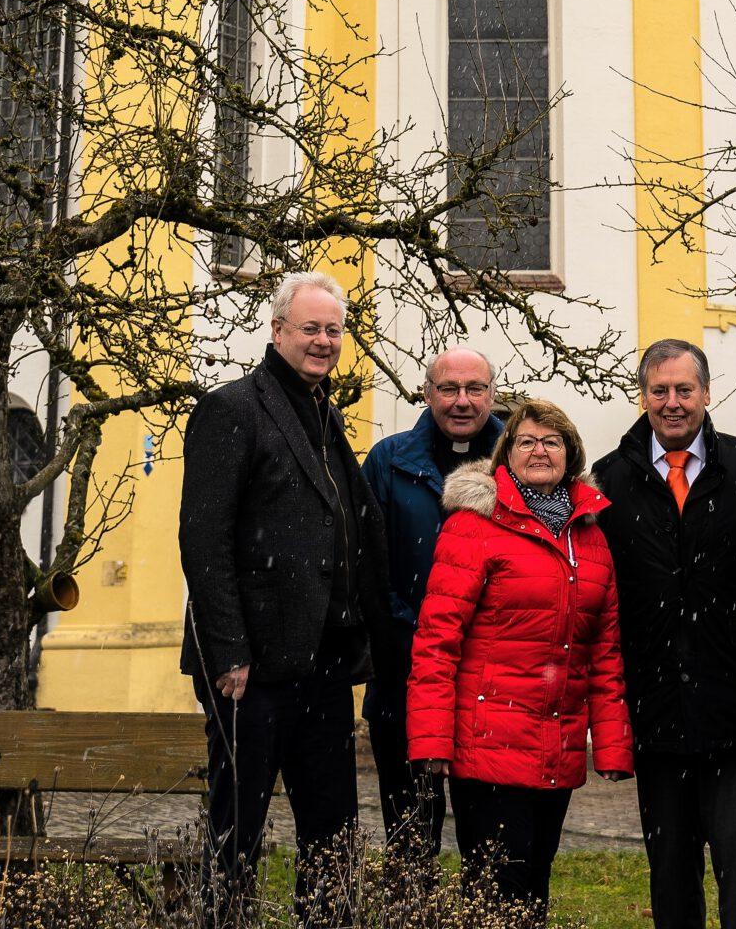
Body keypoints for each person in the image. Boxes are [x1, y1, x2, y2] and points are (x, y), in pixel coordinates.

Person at [178, 272, 394, 925]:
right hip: (252, 672)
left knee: (330, 836)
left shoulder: (322, 413)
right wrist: (229, 651)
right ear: (277, 331)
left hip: (322, 666)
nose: (324, 341)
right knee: (234, 836)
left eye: (333, 330)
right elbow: (202, 539)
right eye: (311, 329)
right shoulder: (233, 408)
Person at [406, 396, 635, 925]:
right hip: (487, 747)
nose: (538, 450)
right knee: (496, 895)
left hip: (556, 750)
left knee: (533, 890)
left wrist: (614, 747)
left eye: (551, 441)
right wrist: (433, 739)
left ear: (570, 454)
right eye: (525, 440)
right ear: (505, 454)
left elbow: (603, 652)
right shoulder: (474, 526)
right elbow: (437, 640)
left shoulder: (590, 536)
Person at [592, 338, 736, 929]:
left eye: (684, 390)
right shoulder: (607, 482)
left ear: (706, 394)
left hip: (735, 719)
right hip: (656, 716)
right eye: (659, 391)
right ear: (643, 396)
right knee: (670, 877)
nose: (672, 403)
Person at [361, 346, 503, 869]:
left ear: (492, 393)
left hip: (492, 684)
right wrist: (415, 635)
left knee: (490, 843)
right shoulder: (388, 460)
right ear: (426, 393)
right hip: (404, 676)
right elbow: (368, 570)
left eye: (475, 389)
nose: (462, 401)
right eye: (448, 388)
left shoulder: (519, 460)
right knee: (409, 835)